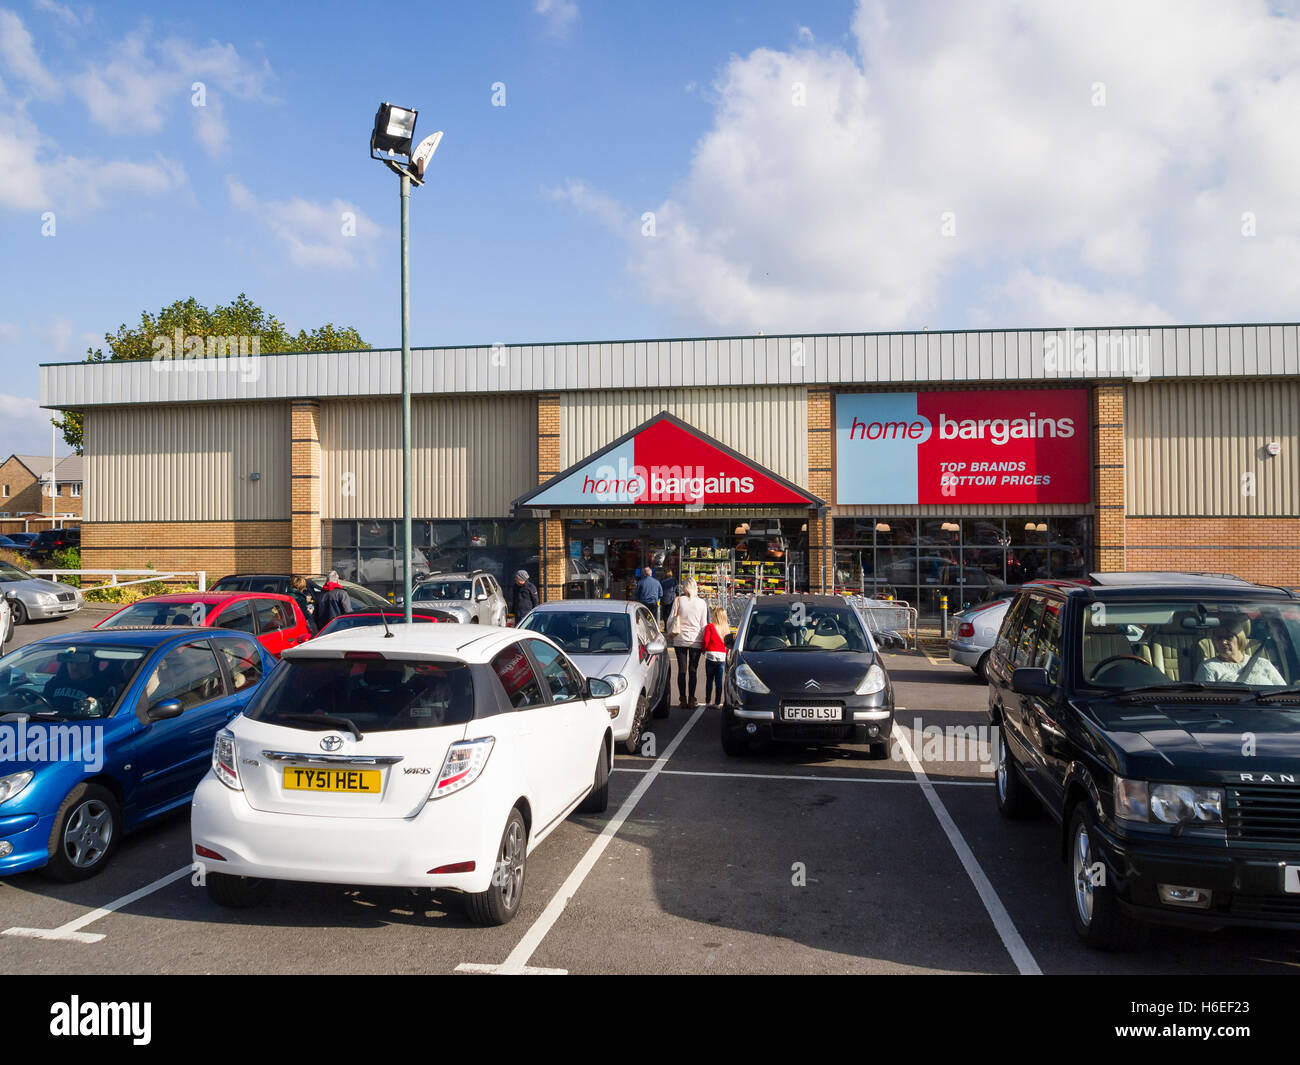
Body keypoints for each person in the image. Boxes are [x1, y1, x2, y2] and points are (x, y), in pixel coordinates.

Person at [1194, 615, 1285, 685]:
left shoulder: (1264, 664)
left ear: (1239, 639)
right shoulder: (1209, 668)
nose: (1223, 642)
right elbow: (1206, 700)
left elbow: (1283, 693)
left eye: (1228, 637)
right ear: (1214, 642)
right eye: (1219, 638)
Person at [665, 576, 709, 707]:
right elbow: (704, 624)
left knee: (682, 670)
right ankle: (692, 699)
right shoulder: (702, 603)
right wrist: (701, 639)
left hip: (680, 639)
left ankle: (682, 699)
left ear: (684, 587)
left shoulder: (678, 600)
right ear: (695, 587)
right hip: (695, 639)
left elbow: (671, 619)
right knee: (693, 670)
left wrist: (670, 634)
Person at [701, 605, 729, 709]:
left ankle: (708, 701)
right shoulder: (726, 628)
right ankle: (717, 703)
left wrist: (703, 650)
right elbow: (728, 644)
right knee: (719, 681)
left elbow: (705, 641)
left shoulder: (710, 627)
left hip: (711, 655)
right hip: (721, 656)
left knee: (709, 680)